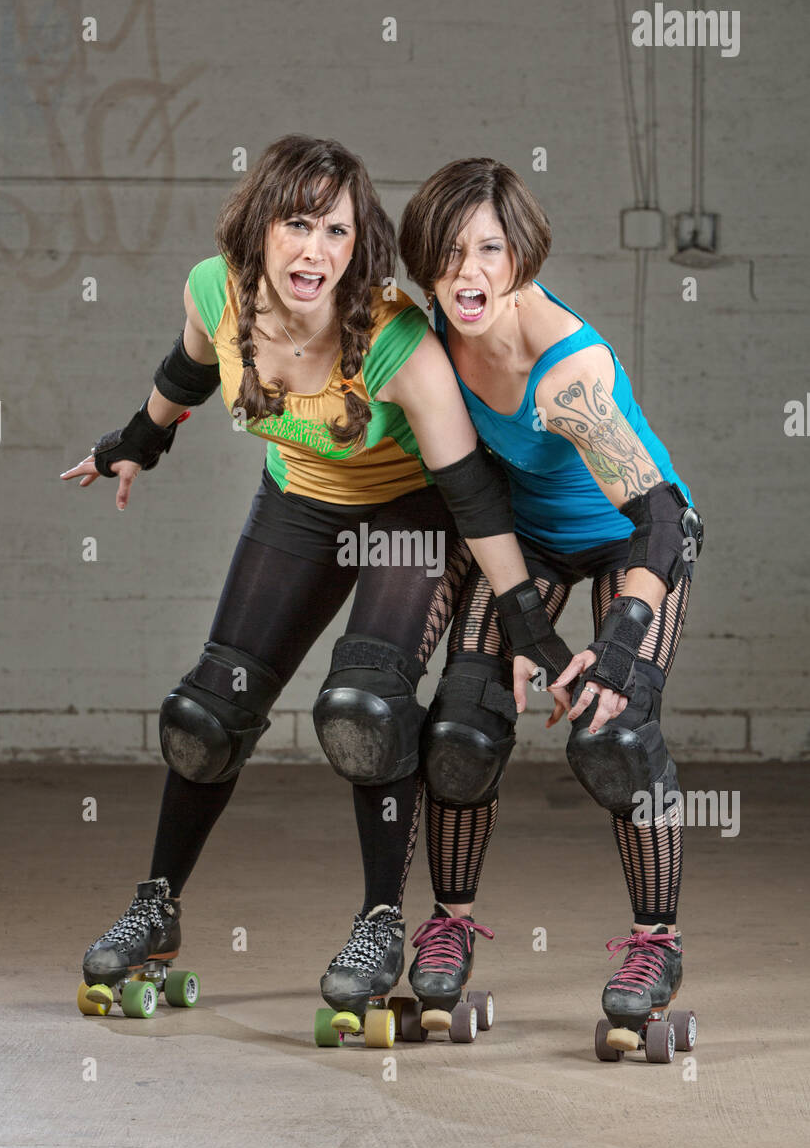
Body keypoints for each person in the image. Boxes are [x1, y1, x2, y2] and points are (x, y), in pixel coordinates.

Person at [63, 134, 537, 1030]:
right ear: (259, 227)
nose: (315, 250)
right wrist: (141, 438)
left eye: (337, 231)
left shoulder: (397, 339)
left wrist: (526, 618)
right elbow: (191, 366)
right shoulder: (217, 288)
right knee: (204, 717)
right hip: (301, 504)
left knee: (364, 710)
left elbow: (472, 493)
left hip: (410, 514)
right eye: (297, 224)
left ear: (360, 246)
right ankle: (158, 902)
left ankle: (379, 920)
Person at [398, 158, 704, 1058]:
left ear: (521, 255)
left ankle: (657, 944)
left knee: (612, 735)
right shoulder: (437, 343)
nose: (469, 274)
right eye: (450, 253)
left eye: (489, 249)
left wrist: (619, 644)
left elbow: (659, 518)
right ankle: (449, 925)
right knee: (460, 730)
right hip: (526, 545)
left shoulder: (570, 368)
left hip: (633, 542)